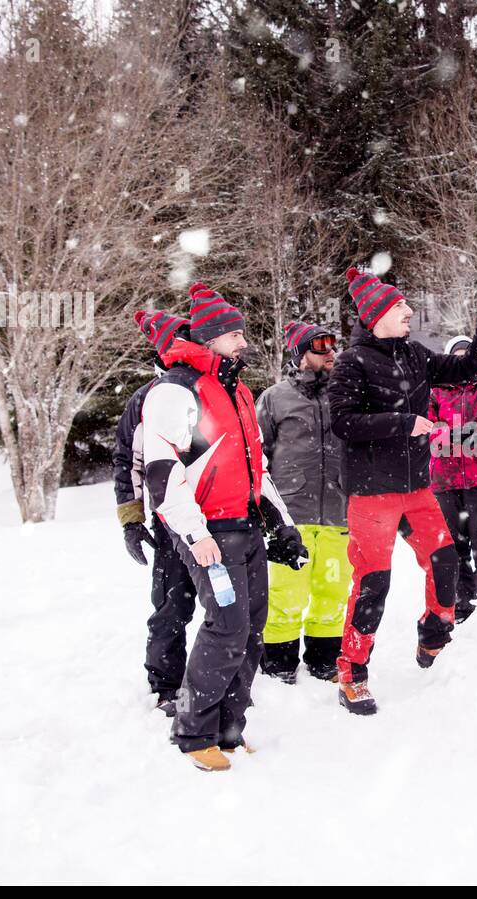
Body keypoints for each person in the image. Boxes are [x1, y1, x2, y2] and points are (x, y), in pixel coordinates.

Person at [139, 283, 309, 771]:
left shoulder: (238, 389)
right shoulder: (176, 390)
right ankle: (194, 732)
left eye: (241, 333)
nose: (243, 343)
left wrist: (284, 528)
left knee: (252, 630)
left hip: (246, 527)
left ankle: (231, 729)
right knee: (226, 628)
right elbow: (162, 473)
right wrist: (196, 534)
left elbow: (259, 470)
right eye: (233, 335)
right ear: (208, 339)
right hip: (209, 533)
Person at [327, 267, 477, 715]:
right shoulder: (352, 361)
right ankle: (351, 672)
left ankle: (433, 636)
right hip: (373, 493)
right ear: (377, 315)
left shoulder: (413, 354)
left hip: (418, 489)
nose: (409, 311)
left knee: (445, 564)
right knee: (373, 584)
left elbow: (463, 371)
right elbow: (344, 422)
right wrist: (404, 423)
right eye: (400, 306)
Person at [255, 320, 351, 684]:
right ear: (300, 356)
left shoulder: (345, 393)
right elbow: (256, 455)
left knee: (333, 591)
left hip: (339, 512)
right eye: (320, 347)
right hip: (292, 515)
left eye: (332, 346)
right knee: (285, 595)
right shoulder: (275, 398)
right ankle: (278, 664)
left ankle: (324, 660)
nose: (330, 353)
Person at [112, 315, 197, 718]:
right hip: (171, 523)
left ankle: (227, 683)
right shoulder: (144, 400)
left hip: (221, 518)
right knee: (172, 608)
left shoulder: (212, 390)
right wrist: (132, 519)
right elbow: (127, 460)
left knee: (231, 610)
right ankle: (166, 685)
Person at [428, 335, 477, 621]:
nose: (463, 361)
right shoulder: (435, 392)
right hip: (444, 483)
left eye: (468, 355)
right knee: (453, 547)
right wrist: (461, 436)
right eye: (457, 356)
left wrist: (462, 436)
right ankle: (462, 605)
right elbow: (428, 433)